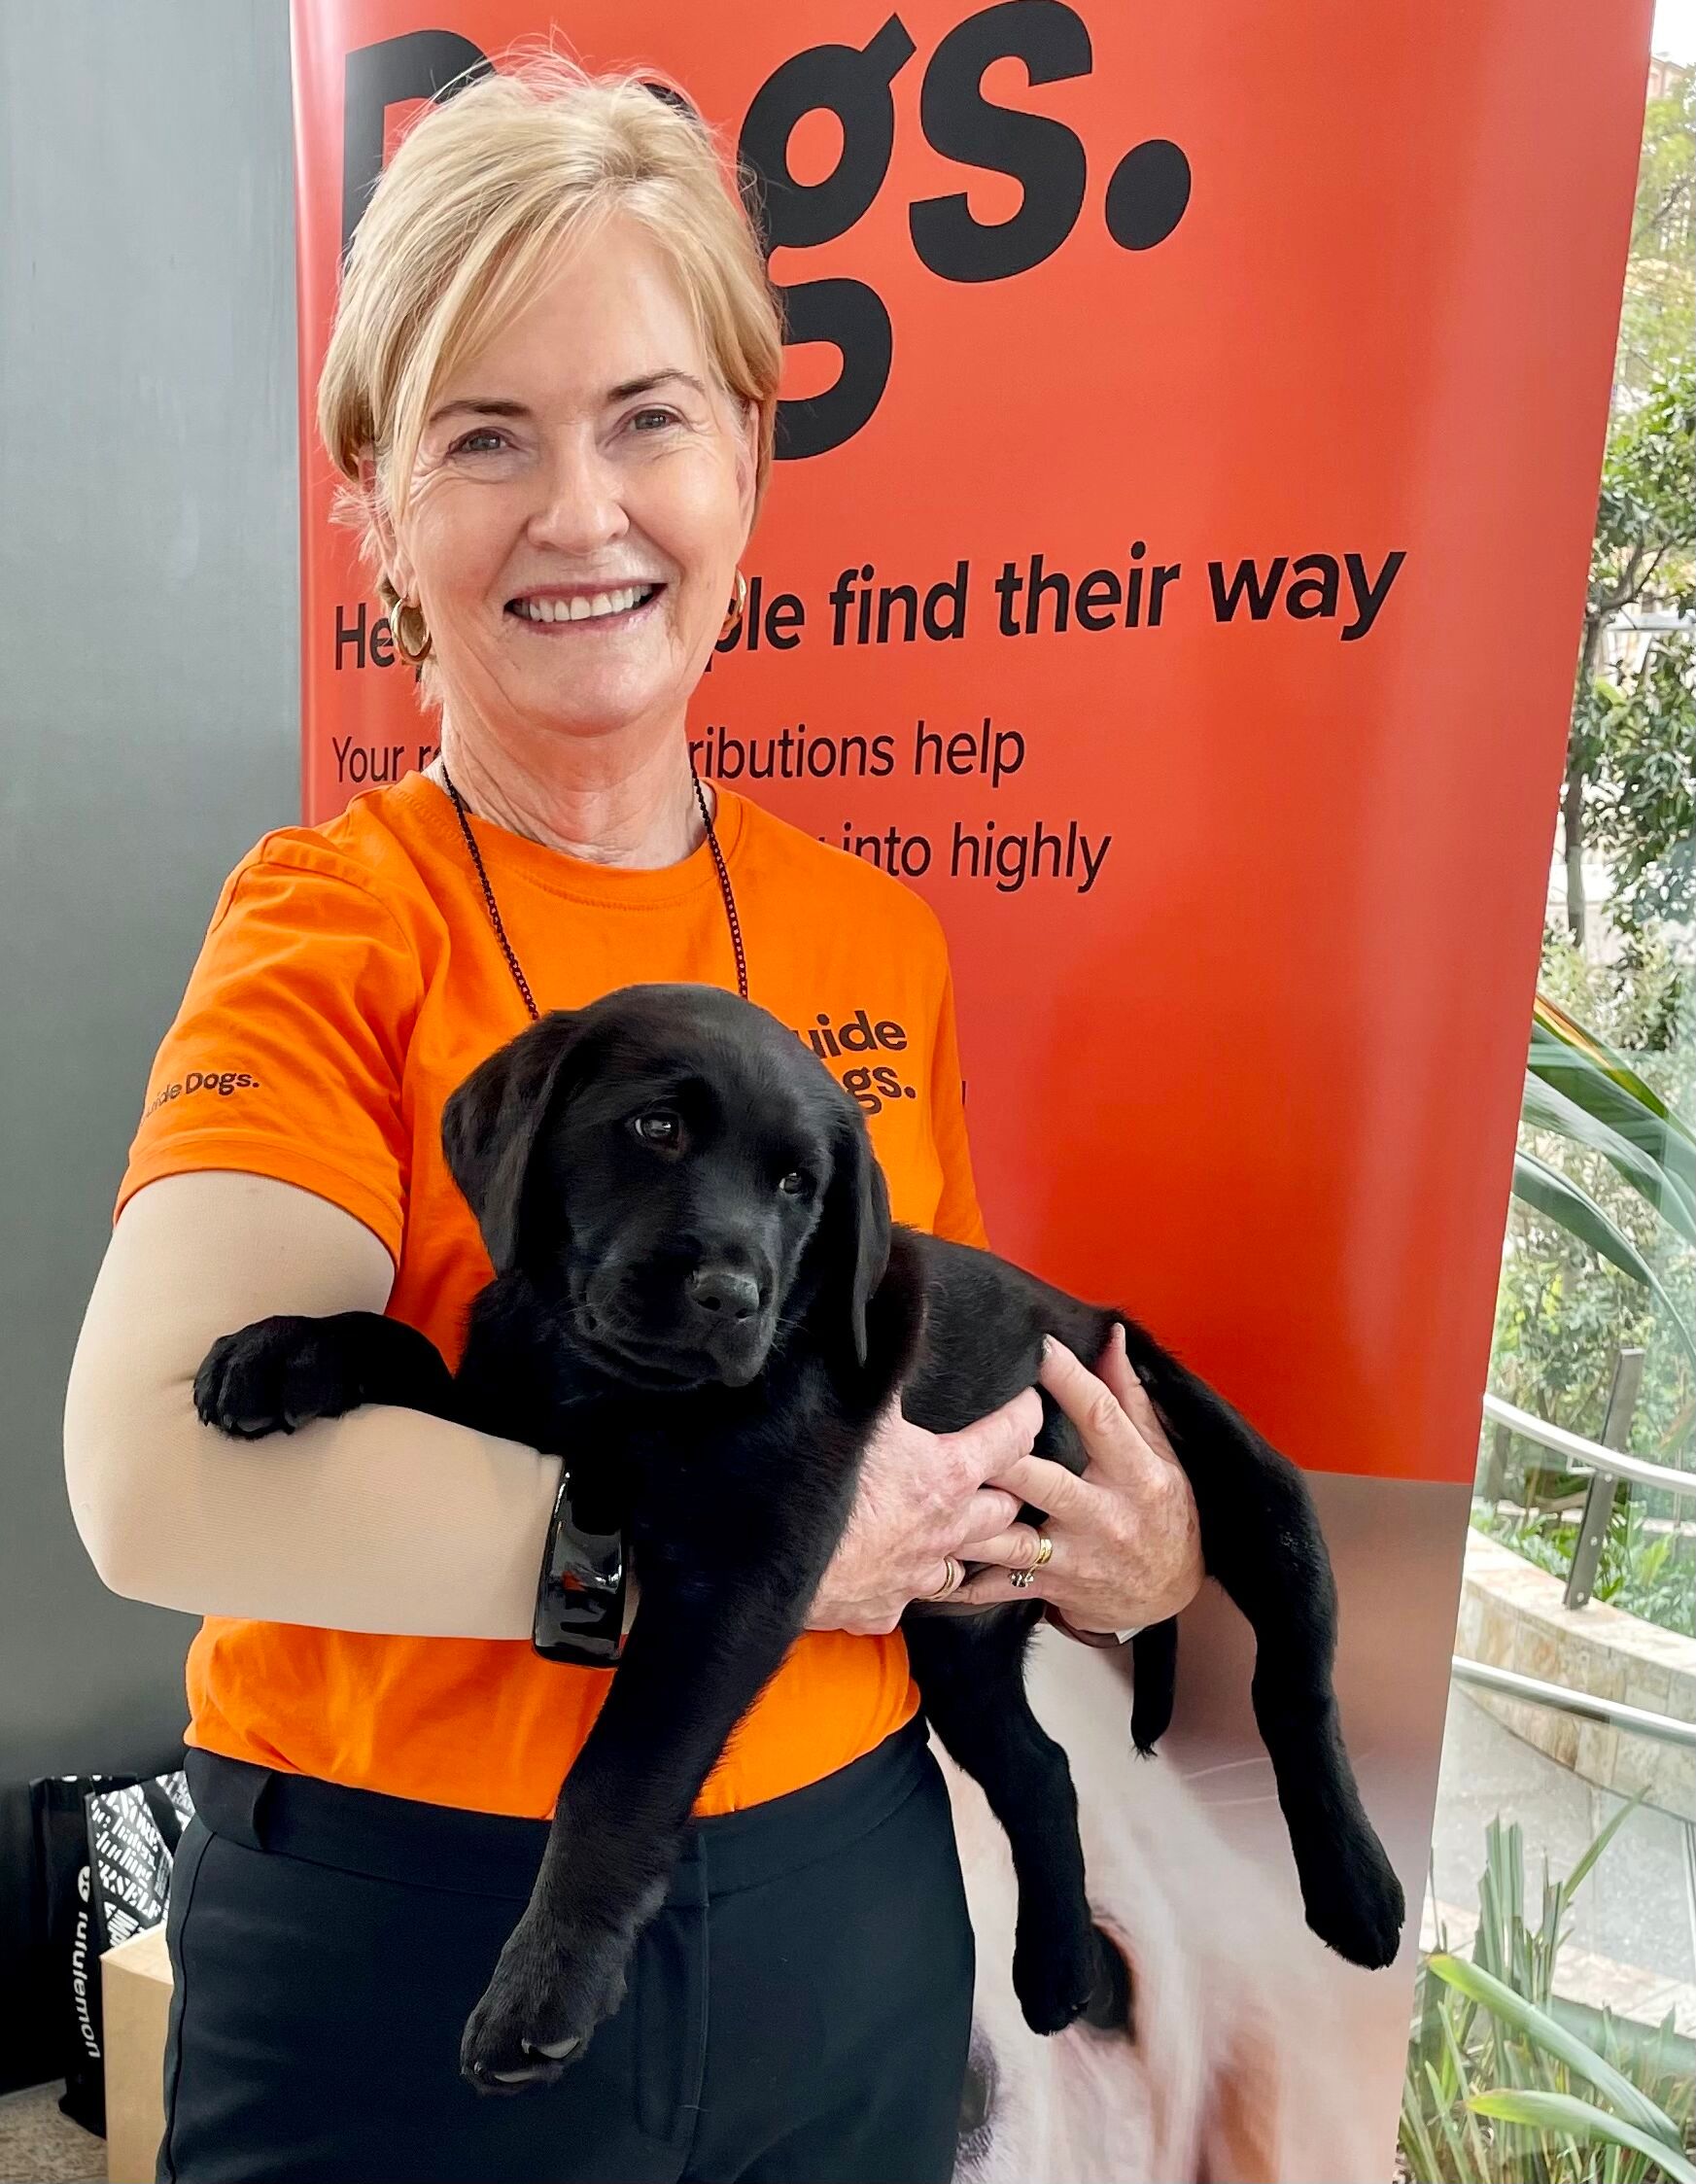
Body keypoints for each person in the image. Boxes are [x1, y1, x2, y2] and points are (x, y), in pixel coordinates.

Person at [62, 56, 1201, 2184]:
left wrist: (1122, 1556)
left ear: (750, 462)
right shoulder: (334, 925)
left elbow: (912, 1426)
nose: (581, 512)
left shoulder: (875, 935)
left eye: (647, 417)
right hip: (419, 1934)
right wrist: (686, 1564)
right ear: (378, 508)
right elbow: (152, 1478)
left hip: (847, 1906)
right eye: (486, 436)